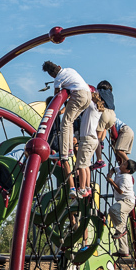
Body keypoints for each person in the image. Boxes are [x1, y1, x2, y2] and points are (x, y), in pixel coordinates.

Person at [43, 61, 91, 195]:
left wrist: (54, 108)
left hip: (79, 95)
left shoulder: (58, 78)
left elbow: (57, 97)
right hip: (87, 95)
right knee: (69, 121)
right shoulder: (70, 69)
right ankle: (69, 148)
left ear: (51, 73)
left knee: (65, 122)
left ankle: (65, 151)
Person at [74, 90, 108, 199]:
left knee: (81, 166)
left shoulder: (91, 106)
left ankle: (82, 188)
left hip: (87, 139)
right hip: (93, 140)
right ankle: (88, 187)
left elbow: (83, 100)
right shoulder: (97, 109)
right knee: (87, 165)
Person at [105, 160, 136, 258]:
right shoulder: (120, 170)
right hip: (122, 201)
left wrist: (111, 181)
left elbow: (120, 191)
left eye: (124, 165)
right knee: (122, 224)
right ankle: (124, 250)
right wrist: (110, 173)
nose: (121, 165)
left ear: (128, 170)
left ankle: (120, 230)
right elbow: (113, 169)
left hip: (127, 202)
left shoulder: (126, 178)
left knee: (113, 210)